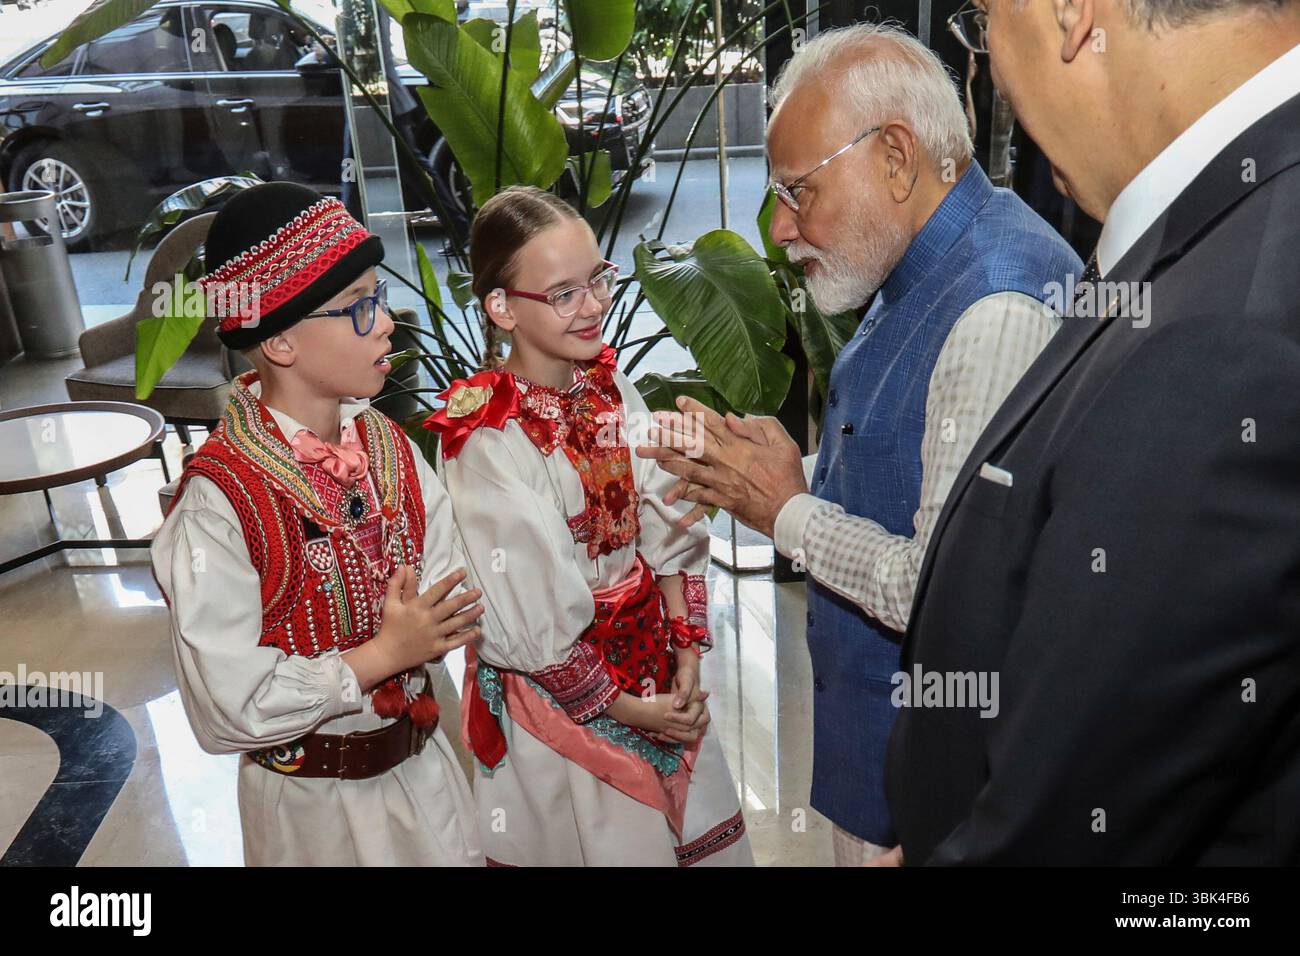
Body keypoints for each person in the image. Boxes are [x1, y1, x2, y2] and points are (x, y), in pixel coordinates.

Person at [638, 22, 1080, 865]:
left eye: (798, 190)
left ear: (896, 157)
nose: (778, 227)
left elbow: (942, 587)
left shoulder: (994, 311)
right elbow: (915, 465)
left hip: (932, 790)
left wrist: (787, 509)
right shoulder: (923, 254)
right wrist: (780, 471)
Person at [875, 0, 1300, 864]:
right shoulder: (1228, 220)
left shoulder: (1224, 336)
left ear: (1070, 12)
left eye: (983, 18)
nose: (989, 62)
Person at [152, 182, 484, 866]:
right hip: (312, 817)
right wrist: (380, 657)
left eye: (380, 297)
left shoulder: (389, 446)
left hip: (424, 775)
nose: (386, 320)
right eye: (359, 306)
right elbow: (226, 708)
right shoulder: (222, 501)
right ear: (278, 340)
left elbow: (455, 588)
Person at [427, 185, 753, 867]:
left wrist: (686, 650)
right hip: (567, 699)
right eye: (564, 293)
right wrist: (629, 709)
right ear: (500, 308)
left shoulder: (608, 386)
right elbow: (524, 612)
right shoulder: (485, 437)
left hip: (654, 669)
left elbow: (666, 521)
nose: (595, 306)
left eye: (598, 280)